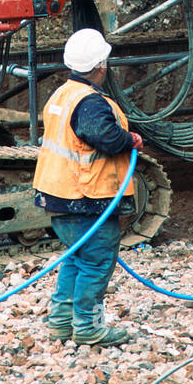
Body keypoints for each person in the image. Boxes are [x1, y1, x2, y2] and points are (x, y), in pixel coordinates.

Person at [33, 28, 142, 346]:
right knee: (95, 262)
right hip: (86, 197)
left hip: (59, 193)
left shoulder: (61, 94)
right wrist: (130, 139)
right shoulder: (90, 102)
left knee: (75, 258)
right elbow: (106, 138)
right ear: (101, 65)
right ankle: (89, 328)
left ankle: (61, 323)